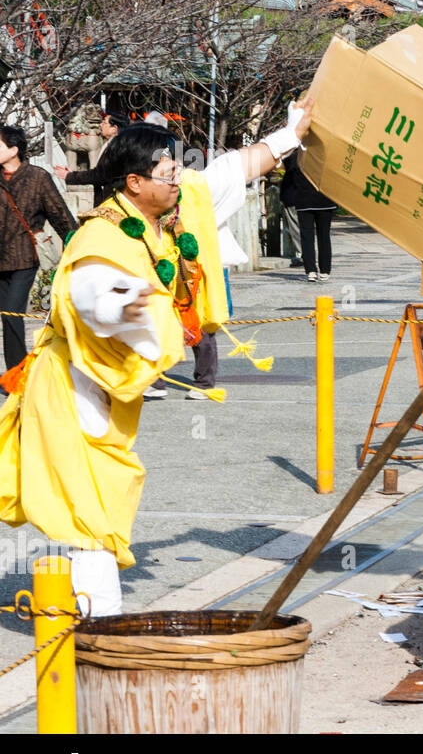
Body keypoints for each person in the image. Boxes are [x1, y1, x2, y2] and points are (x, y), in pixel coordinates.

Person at [0, 99, 312, 615]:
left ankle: (91, 616)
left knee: (106, 492)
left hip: (113, 390)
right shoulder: (101, 233)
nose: (178, 178)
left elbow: (232, 171)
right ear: (133, 182)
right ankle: (96, 622)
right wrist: (120, 304)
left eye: (177, 169)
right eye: (167, 172)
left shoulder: (172, 210)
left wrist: (290, 133)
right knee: (90, 506)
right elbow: (87, 289)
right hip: (73, 386)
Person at [0, 125, 79, 372]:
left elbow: (60, 215)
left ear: (13, 150)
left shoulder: (37, 177)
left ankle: (19, 373)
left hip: (26, 256)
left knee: (11, 314)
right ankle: (17, 373)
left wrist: (77, 247)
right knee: (7, 316)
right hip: (0, 257)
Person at [53, 111, 131, 206]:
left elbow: (99, 175)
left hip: (112, 204)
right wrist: (72, 173)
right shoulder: (111, 144)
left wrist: (70, 176)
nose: (100, 125)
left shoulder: (117, 148)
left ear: (114, 129)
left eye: (104, 122)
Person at [283, 150, 336, 282]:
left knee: (306, 237)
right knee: (324, 236)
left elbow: (288, 176)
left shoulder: (295, 156)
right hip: (325, 200)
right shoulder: (326, 155)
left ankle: (311, 270)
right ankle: (324, 270)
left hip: (304, 201)